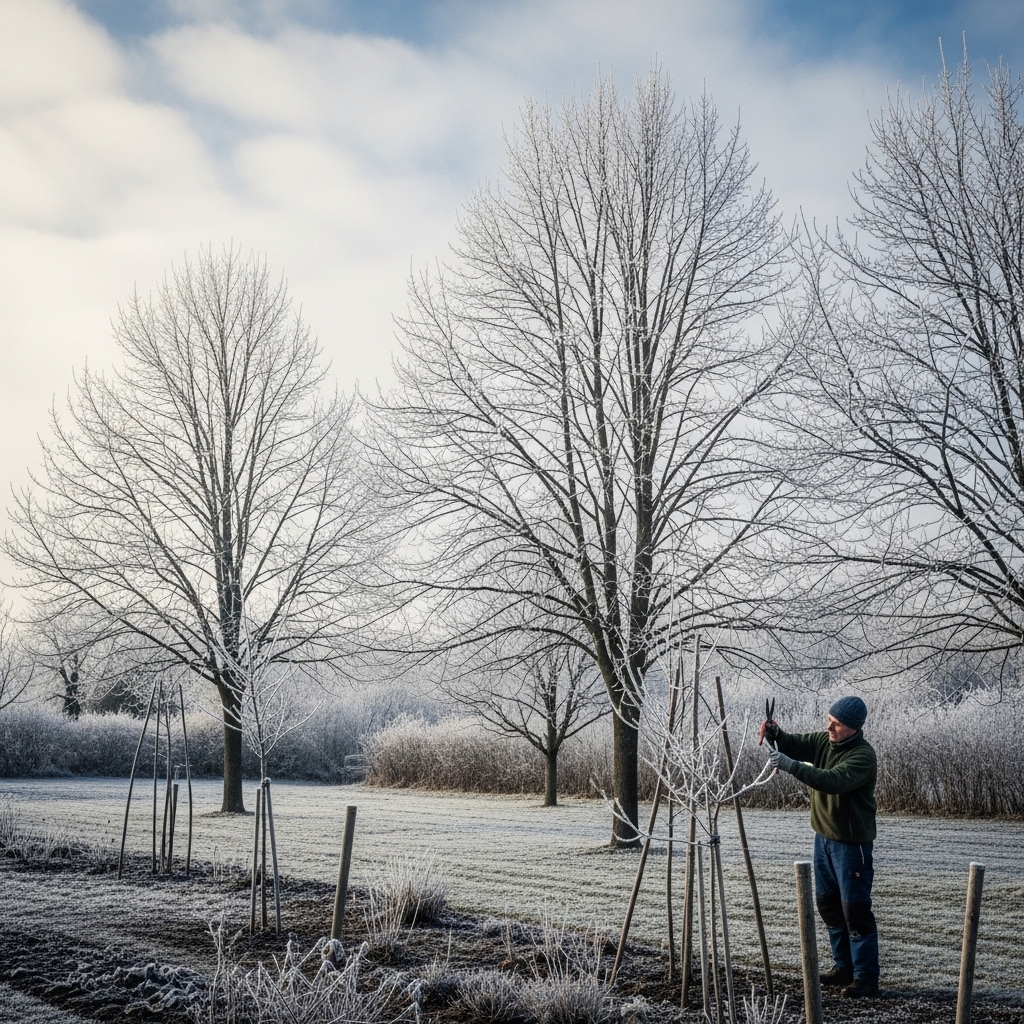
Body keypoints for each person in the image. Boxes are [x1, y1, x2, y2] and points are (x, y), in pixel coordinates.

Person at [760, 696, 879, 998]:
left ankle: (866, 980)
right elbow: (793, 743)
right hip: (823, 839)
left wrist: (791, 766)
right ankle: (843, 969)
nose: (829, 727)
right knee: (828, 905)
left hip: (851, 845)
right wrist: (776, 733)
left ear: (853, 728)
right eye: (829, 720)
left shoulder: (863, 756)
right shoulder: (824, 741)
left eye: (836, 724)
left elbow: (832, 780)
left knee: (855, 910)